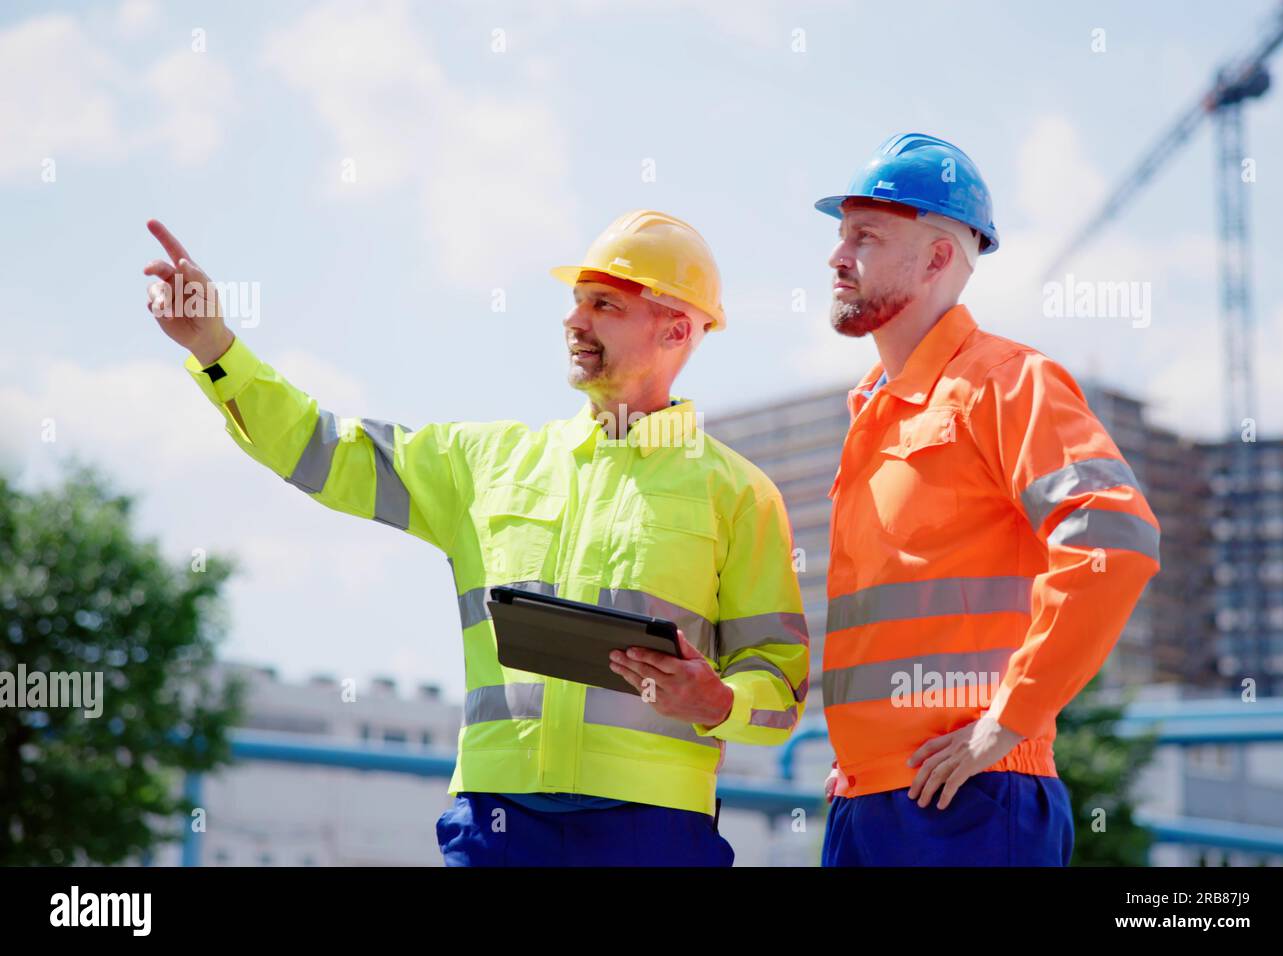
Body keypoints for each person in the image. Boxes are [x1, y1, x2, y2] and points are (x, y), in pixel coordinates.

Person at [142, 210, 809, 866]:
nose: (574, 321)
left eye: (604, 304)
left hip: (654, 830)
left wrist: (719, 702)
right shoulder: (484, 464)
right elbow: (322, 450)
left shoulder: (739, 495)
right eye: (576, 302)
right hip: (498, 822)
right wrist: (215, 349)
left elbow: (779, 682)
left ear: (677, 328)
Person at [814, 133, 1161, 866]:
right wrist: (869, 761)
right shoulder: (874, 415)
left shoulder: (1008, 381)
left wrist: (1012, 718)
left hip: (970, 802)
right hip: (868, 799)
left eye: (865, 238)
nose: (837, 259)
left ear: (939, 258)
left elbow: (1116, 539)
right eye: (841, 236)